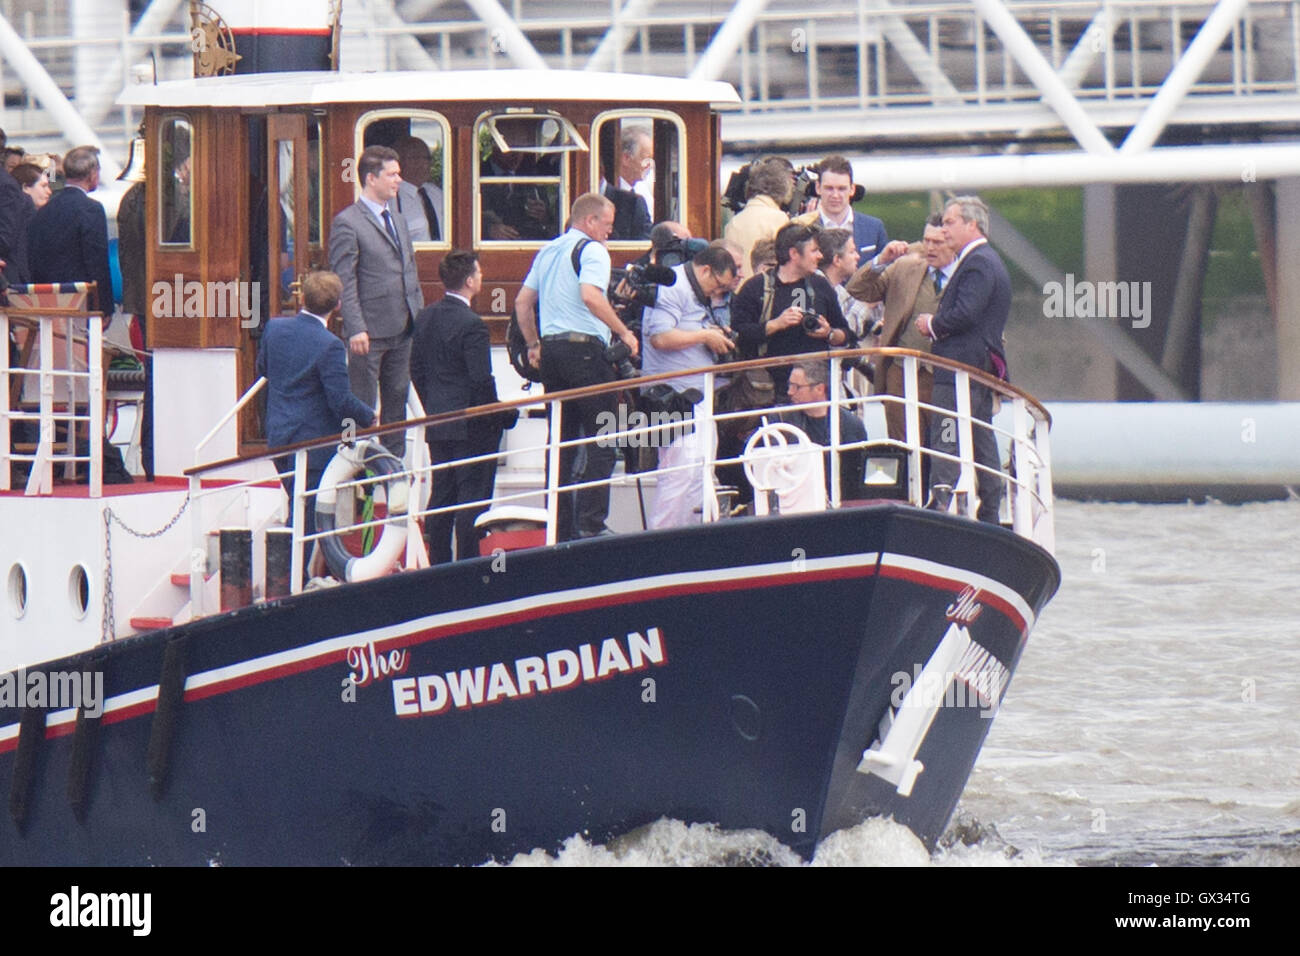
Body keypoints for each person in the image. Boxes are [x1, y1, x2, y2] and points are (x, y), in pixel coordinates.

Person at [513, 192, 638, 540]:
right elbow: (590, 295)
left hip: (552, 355)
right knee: (604, 437)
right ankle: (591, 526)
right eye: (608, 226)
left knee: (562, 441)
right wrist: (624, 332)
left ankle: (560, 527)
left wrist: (534, 345)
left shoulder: (549, 250)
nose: (609, 233)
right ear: (590, 221)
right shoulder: (593, 250)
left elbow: (523, 302)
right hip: (584, 351)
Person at [256, 271, 377, 584]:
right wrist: (369, 416)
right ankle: (292, 585)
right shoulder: (330, 346)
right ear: (338, 305)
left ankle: (295, 580)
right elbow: (339, 401)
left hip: (280, 437)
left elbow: (264, 370)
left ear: (302, 298)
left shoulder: (275, 328)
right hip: (311, 445)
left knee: (301, 510)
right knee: (306, 518)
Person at [410, 250, 513, 563]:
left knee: (442, 494)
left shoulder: (425, 317)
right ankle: (468, 563)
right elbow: (481, 379)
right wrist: (498, 413)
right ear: (470, 281)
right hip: (471, 424)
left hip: (439, 420)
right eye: (479, 274)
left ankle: (438, 564)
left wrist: (433, 408)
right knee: (472, 496)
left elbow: (416, 369)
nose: (481, 278)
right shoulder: (472, 325)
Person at [915, 196, 1009, 523]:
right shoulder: (984, 259)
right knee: (979, 434)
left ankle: (940, 503)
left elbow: (966, 313)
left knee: (947, 431)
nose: (943, 230)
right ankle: (991, 510)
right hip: (975, 366)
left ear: (972, 225)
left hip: (961, 366)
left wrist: (932, 325)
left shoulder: (978, 262)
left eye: (950, 223)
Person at [328, 144, 424, 458]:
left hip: (403, 327)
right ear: (371, 178)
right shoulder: (348, 222)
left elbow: (408, 268)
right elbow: (345, 278)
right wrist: (355, 327)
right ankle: (349, 469)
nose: (399, 180)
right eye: (392, 174)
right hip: (367, 333)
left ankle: (393, 472)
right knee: (359, 405)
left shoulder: (397, 218)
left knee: (397, 405)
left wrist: (417, 315)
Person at [639, 241, 738, 527]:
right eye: (718, 287)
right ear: (706, 270)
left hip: (695, 395)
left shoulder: (695, 290)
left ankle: (689, 538)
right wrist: (705, 337)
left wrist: (713, 332)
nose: (718, 295)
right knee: (677, 475)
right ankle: (661, 540)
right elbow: (660, 337)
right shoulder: (674, 287)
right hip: (670, 397)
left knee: (699, 472)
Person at [846, 214, 954, 445]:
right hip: (900, 373)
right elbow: (857, 289)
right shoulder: (905, 267)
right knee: (903, 447)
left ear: (953, 242)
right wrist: (880, 260)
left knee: (946, 448)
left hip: (947, 376)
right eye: (927, 241)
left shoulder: (968, 274)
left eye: (938, 242)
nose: (930, 248)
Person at [730, 221, 853, 395]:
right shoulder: (755, 288)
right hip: (768, 391)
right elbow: (738, 335)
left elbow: (847, 335)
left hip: (816, 392)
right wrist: (775, 325)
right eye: (814, 250)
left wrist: (829, 333)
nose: (820, 256)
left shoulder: (820, 285)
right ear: (794, 253)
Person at [27, 146, 115, 315]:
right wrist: (104, 308)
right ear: (92, 174)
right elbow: (97, 262)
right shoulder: (91, 209)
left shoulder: (42, 211)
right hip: (81, 301)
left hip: (47, 300)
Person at [781, 359, 868, 499]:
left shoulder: (851, 425)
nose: (789, 392)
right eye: (789, 385)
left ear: (820, 389)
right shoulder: (780, 420)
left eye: (796, 386)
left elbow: (856, 474)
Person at [793, 154, 889, 260]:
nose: (835, 195)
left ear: (852, 189)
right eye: (829, 188)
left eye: (841, 189)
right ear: (818, 188)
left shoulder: (874, 228)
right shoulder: (801, 228)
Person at [724, 157, 793, 278]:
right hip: (765, 288)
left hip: (739, 290)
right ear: (783, 188)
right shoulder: (779, 218)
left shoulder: (734, 222)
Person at [815, 227, 869, 338]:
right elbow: (849, 330)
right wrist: (868, 305)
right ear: (837, 260)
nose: (857, 257)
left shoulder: (841, 291)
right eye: (852, 252)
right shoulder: (817, 291)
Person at [602, 128, 652, 240]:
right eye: (646, 159)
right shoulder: (606, 192)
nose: (650, 166)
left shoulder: (644, 191)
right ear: (626, 158)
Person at [394, 135, 443, 243]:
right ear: (398, 162)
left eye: (427, 158)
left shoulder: (436, 193)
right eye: (415, 158)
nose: (424, 164)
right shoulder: (391, 197)